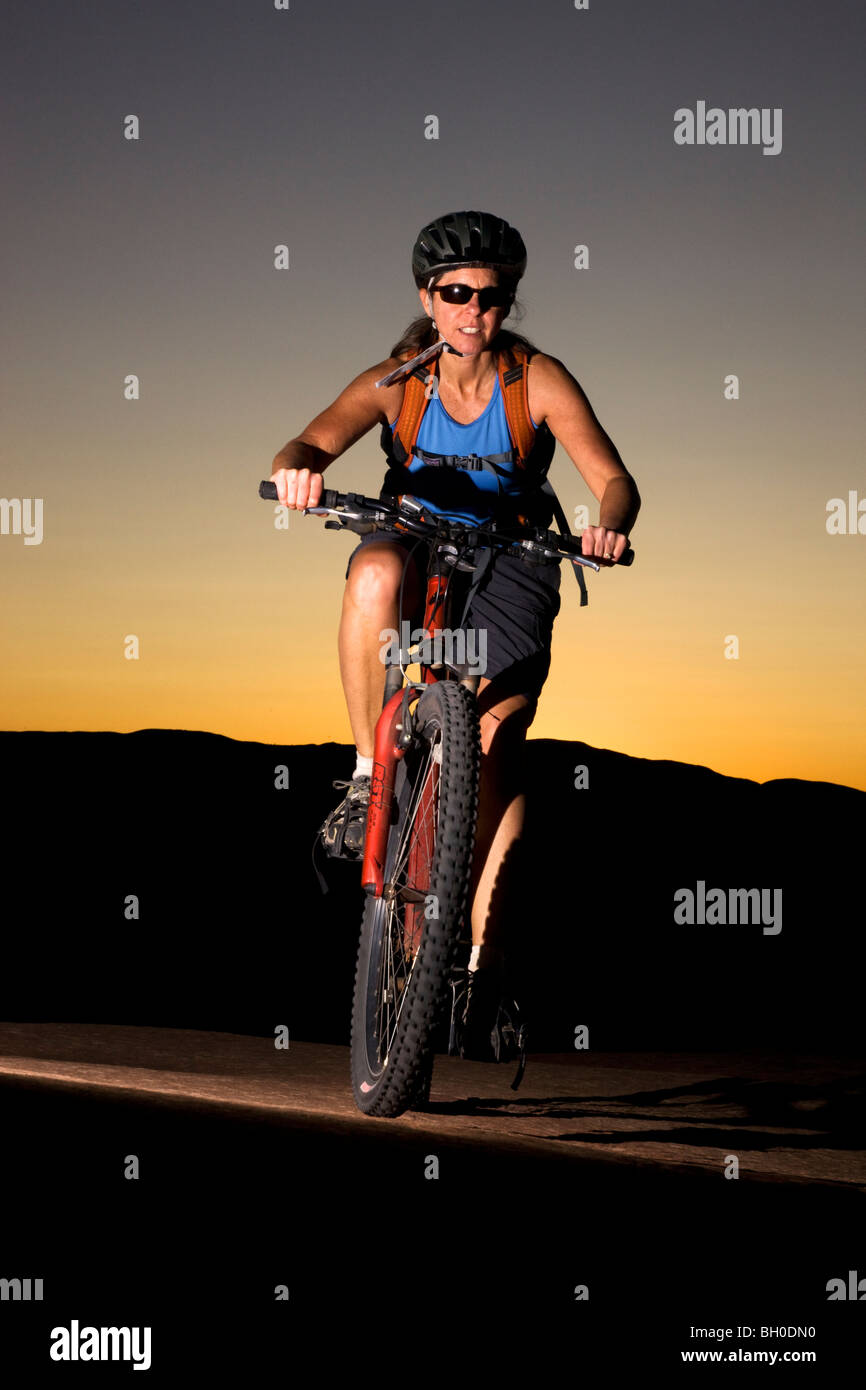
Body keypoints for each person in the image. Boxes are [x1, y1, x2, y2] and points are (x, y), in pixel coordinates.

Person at [270, 210, 640, 1061]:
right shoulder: (397, 381)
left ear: (507, 302)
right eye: (457, 294)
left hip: (513, 556)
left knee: (499, 738)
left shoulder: (535, 379)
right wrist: (299, 467)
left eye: (493, 296)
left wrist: (607, 527)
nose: (475, 311)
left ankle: (481, 965)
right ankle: (368, 778)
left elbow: (614, 480)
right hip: (414, 537)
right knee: (372, 573)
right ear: (428, 299)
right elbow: (313, 437)